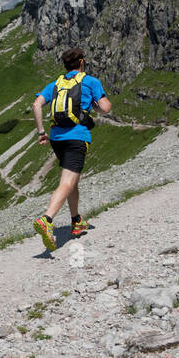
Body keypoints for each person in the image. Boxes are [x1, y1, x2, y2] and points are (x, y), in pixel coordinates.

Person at [31, 47, 111, 251]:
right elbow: (105, 108)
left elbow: (36, 105)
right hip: (77, 137)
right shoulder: (90, 81)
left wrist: (41, 132)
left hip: (57, 138)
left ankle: (76, 221)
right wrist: (94, 104)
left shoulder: (56, 84)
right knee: (67, 182)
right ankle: (47, 219)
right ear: (82, 62)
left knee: (72, 179)